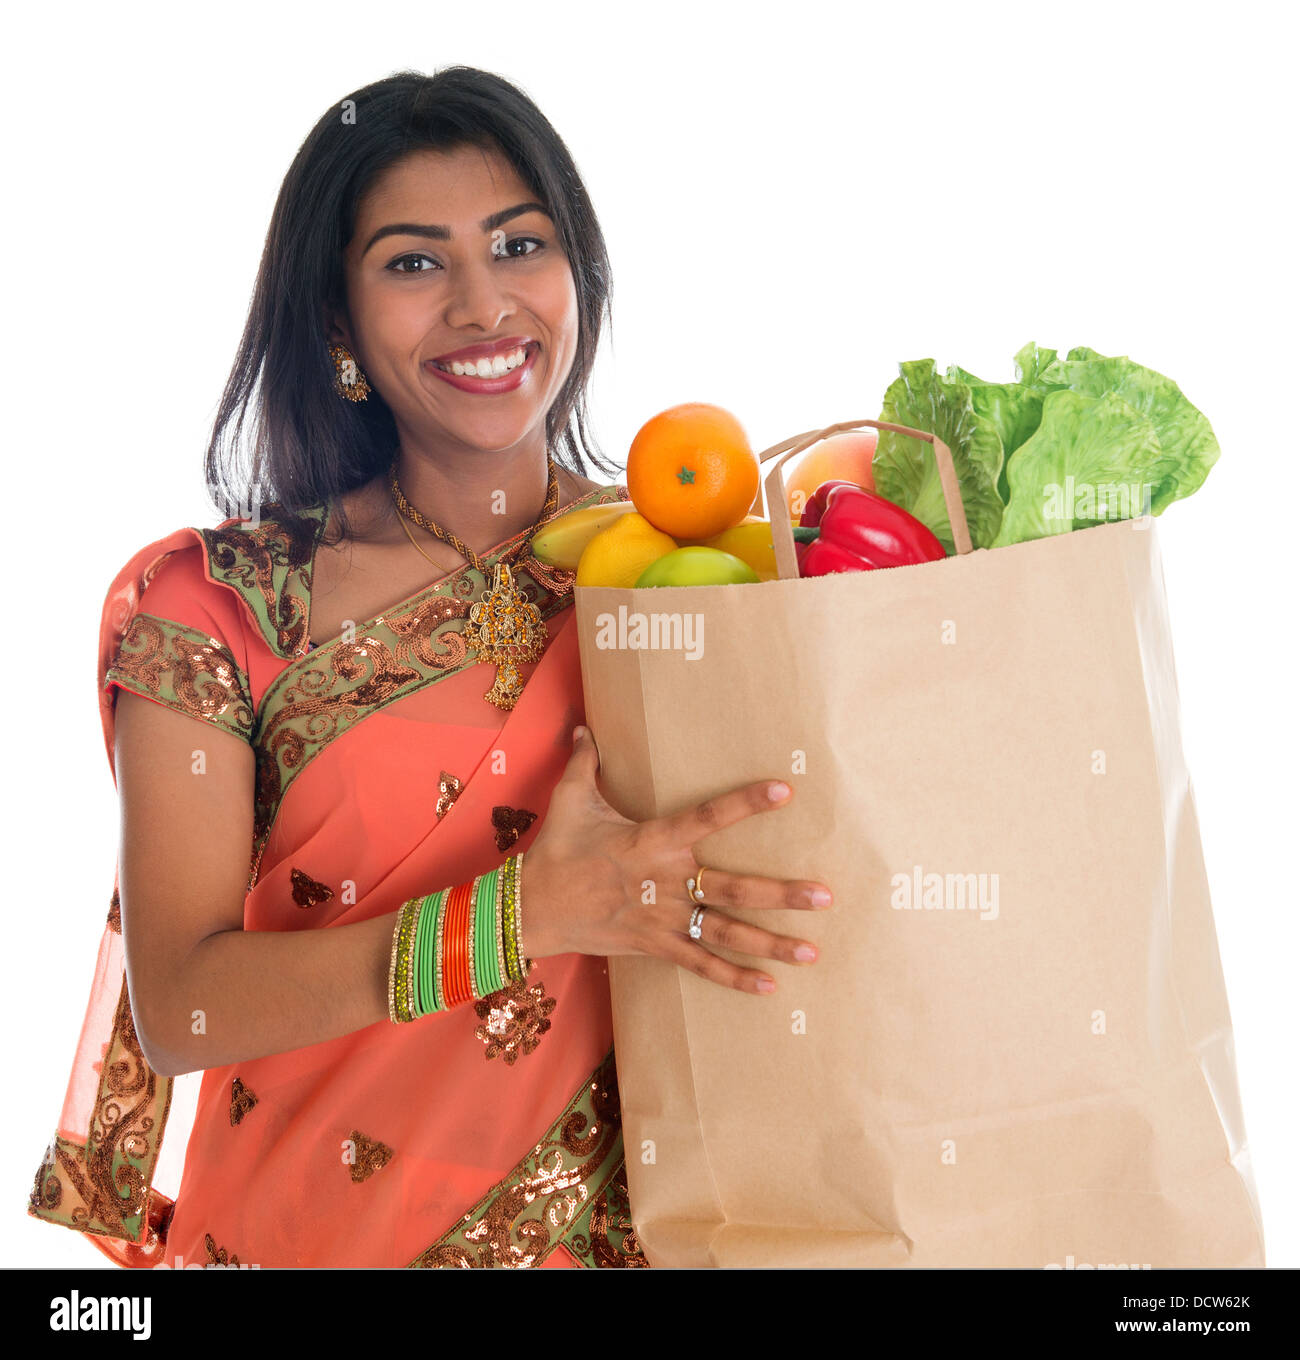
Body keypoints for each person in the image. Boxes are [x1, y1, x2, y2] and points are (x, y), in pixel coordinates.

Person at [26, 66, 830, 1269]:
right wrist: (530, 914)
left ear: (580, 280)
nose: (482, 304)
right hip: (306, 1237)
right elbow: (183, 1006)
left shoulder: (701, 572)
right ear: (338, 322)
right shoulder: (225, 607)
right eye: (413, 263)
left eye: (520, 245)